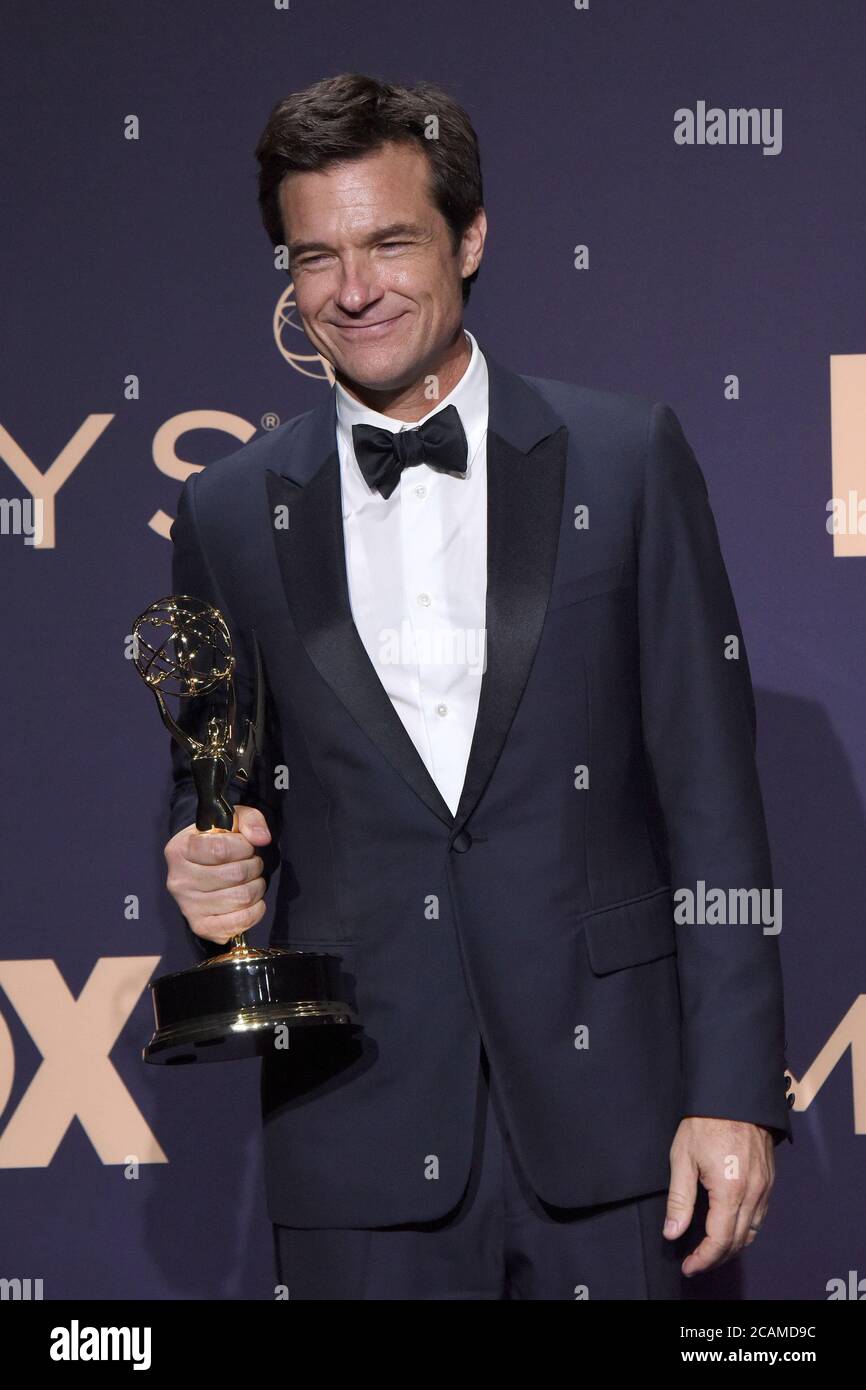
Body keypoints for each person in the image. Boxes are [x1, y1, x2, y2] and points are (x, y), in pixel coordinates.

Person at [164, 72, 793, 1301]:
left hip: (622, 1131)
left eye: (390, 242)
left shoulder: (624, 457)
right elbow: (215, 791)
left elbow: (715, 805)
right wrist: (203, 875)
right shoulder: (229, 511)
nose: (353, 290)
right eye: (314, 257)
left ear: (469, 236)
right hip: (354, 1129)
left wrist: (730, 1092)